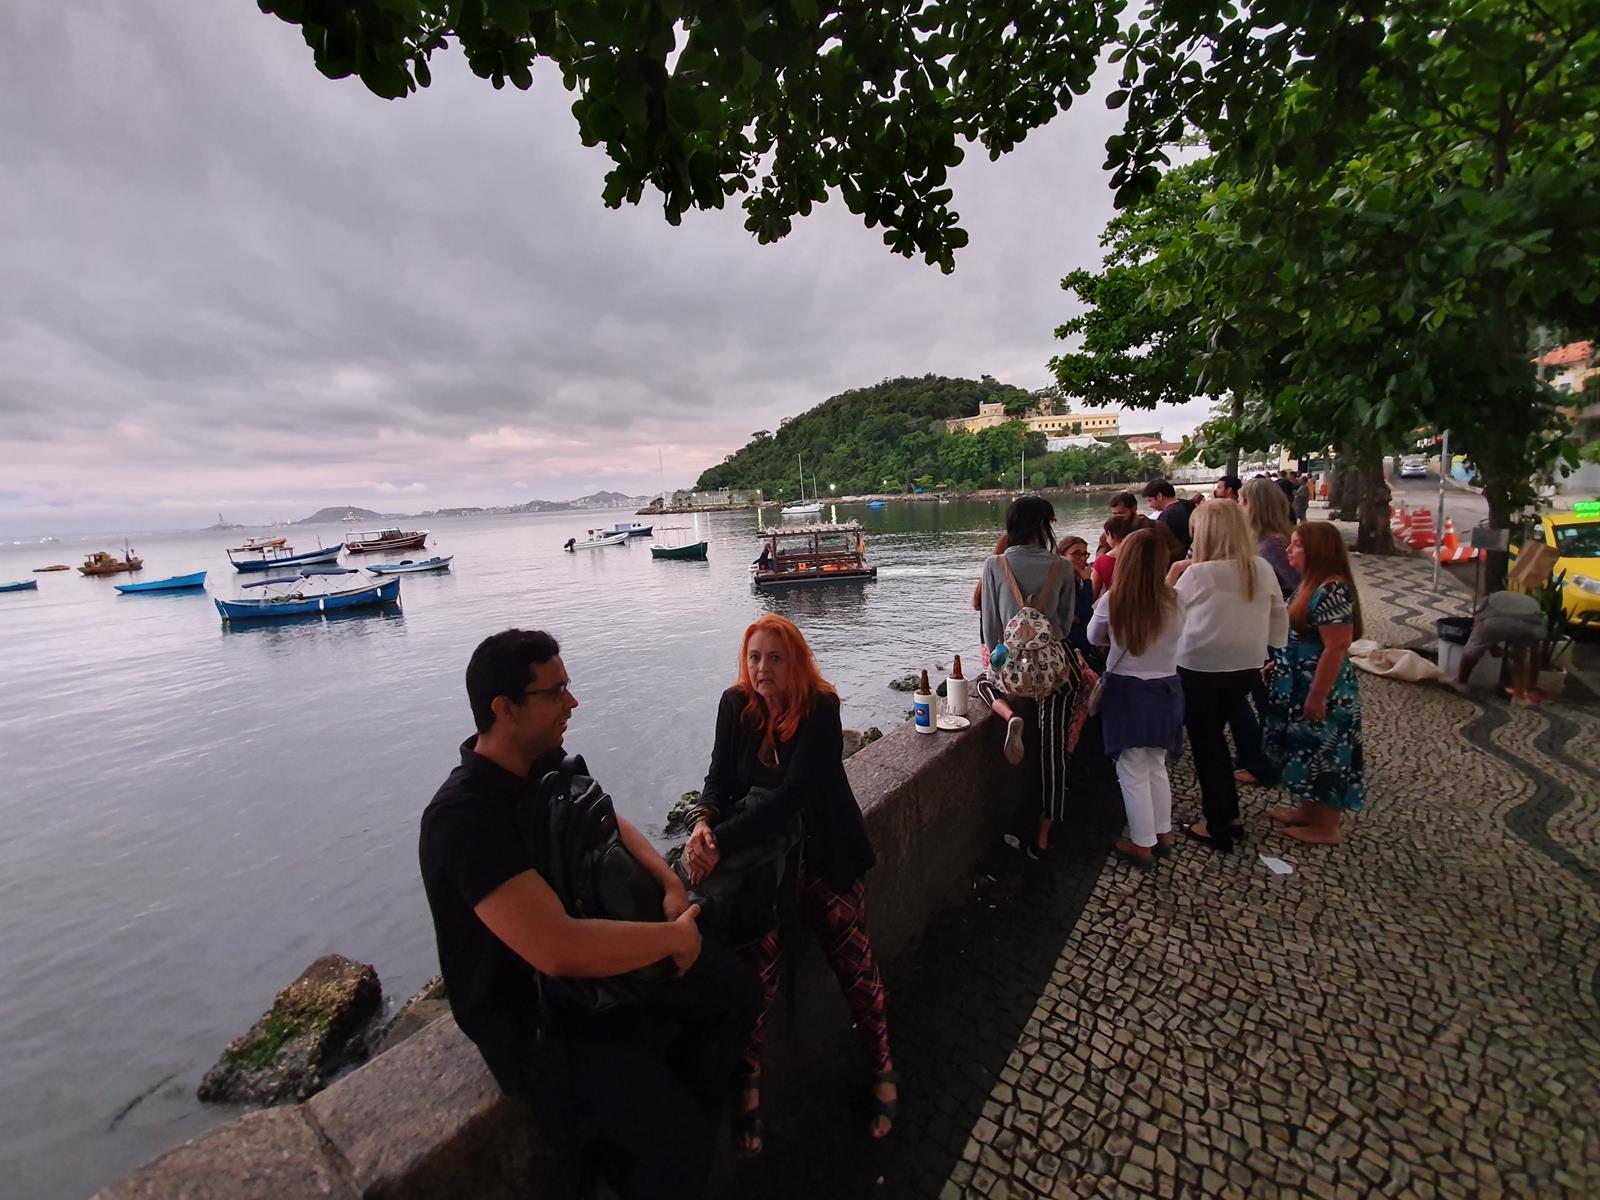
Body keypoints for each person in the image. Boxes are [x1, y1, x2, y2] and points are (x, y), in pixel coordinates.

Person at [419, 629, 760, 1200]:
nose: (572, 704)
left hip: (602, 980)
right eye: (555, 693)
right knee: (678, 1147)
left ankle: (655, 1142)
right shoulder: (465, 819)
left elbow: (606, 817)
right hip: (543, 1023)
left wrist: (666, 881)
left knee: (738, 995)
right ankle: (656, 1154)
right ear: (504, 709)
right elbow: (557, 948)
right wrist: (670, 941)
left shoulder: (542, 761)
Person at [680, 616, 895, 1155]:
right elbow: (719, 779)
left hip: (824, 851)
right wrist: (702, 822)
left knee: (854, 960)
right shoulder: (735, 706)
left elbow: (793, 795)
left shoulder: (820, 708)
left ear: (795, 661)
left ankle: (882, 1064)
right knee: (759, 971)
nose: (762, 668)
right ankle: (749, 1082)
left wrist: (719, 841)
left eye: (775, 658)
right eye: (754, 657)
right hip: (763, 868)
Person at [1168, 502, 1289, 850]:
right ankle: (1229, 814)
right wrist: (1269, 653)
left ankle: (1218, 823)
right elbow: (1278, 619)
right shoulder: (1261, 569)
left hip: (1200, 667)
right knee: (1220, 740)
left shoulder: (1196, 573)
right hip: (1245, 667)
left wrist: (1172, 576)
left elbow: (1168, 617)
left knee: (1209, 745)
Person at [978, 495, 1081, 857]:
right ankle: (1044, 833)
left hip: (1012, 670)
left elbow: (991, 630)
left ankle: (1011, 715)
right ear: (1045, 525)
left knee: (981, 683)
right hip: (1054, 671)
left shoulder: (995, 565)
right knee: (1053, 751)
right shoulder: (1063, 567)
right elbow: (1065, 627)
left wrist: (1002, 657)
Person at [1261, 523, 1367, 843]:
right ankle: (1308, 809)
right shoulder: (1311, 584)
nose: (1289, 551)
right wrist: (1277, 663)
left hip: (1323, 685)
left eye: (1296, 546)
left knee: (1327, 750)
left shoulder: (1333, 589)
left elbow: (1335, 647)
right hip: (1299, 676)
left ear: (1317, 551)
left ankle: (1328, 824)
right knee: (1307, 746)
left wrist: (1319, 695)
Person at [1087, 529, 1186, 871]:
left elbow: (1093, 636)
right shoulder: (1176, 599)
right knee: (1156, 765)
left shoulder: (1113, 600)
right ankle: (1163, 833)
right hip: (1167, 689)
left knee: (1131, 769)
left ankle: (1142, 844)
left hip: (1127, 692)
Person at [1231, 478, 1302, 786]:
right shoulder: (1274, 539)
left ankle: (1266, 766)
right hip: (1271, 630)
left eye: (1242, 502)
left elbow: (1289, 589)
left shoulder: (1270, 545)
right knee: (1264, 698)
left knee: (1266, 699)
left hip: (1273, 633)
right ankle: (1262, 758)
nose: (1238, 507)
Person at [1456, 588, 1544, 699]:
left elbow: (1478, 620)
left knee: (1473, 647)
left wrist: (1477, 637)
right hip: (1529, 626)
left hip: (1497, 622)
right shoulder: (1531, 602)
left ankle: (1461, 684)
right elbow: (1535, 653)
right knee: (1520, 658)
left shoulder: (1489, 598)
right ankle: (1519, 696)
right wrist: (1532, 685)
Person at [1057, 535, 1100, 667]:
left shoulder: (1076, 580)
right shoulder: (1060, 581)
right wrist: (1087, 582)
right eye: (1076, 554)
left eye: (1085, 554)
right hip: (1070, 644)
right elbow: (1084, 612)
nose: (1082, 559)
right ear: (1061, 555)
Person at [1092, 515, 1140, 600]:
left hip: (1116, 605)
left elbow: (1093, 594)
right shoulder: (1143, 554)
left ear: (1109, 534)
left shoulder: (1101, 561)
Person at [1142, 479, 1193, 553]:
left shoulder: (1167, 516)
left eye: (1150, 500)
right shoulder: (1188, 505)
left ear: (1159, 496)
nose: (1150, 505)